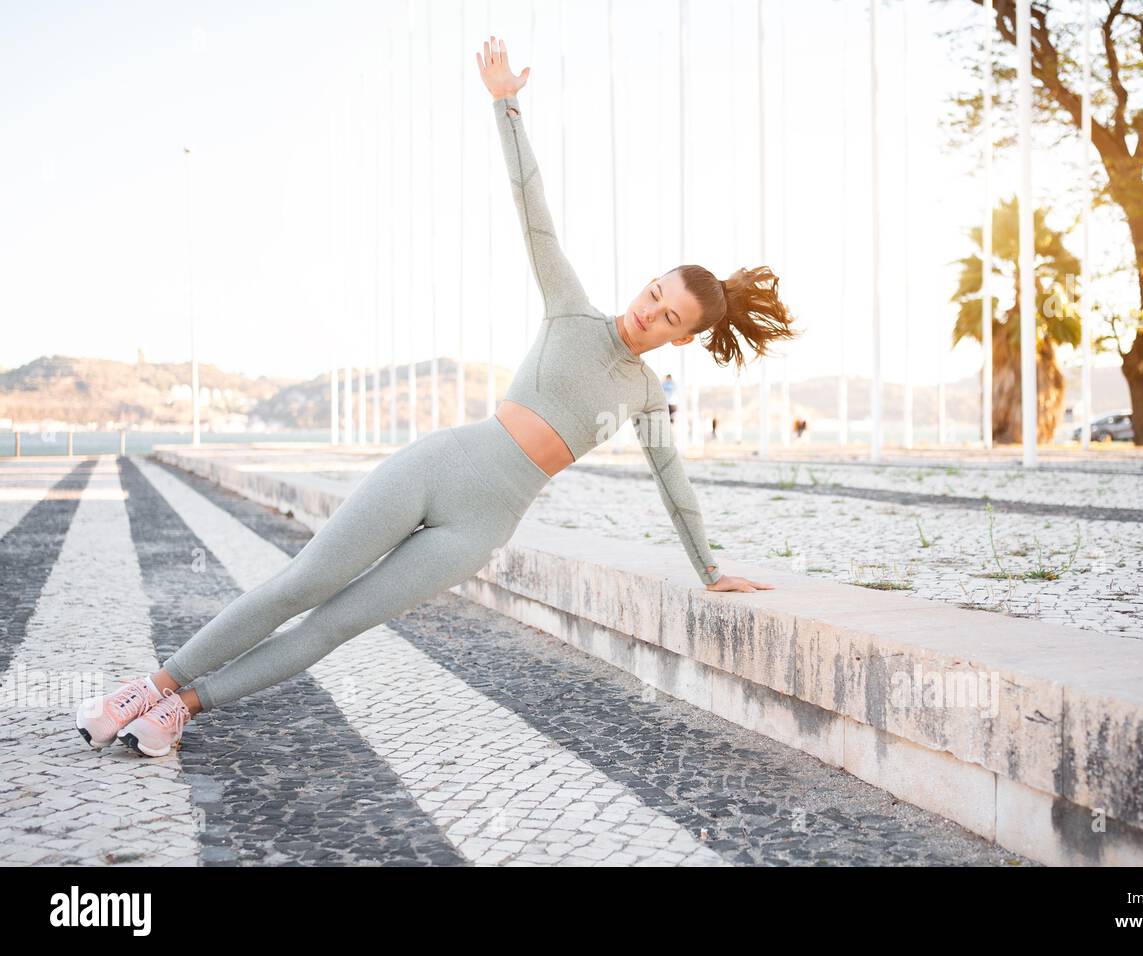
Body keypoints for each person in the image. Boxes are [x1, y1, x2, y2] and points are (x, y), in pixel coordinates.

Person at [74, 35, 798, 758]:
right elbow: (532, 207)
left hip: (479, 527)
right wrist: (505, 103)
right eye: (654, 292)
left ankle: (186, 709)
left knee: (334, 626)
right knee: (301, 585)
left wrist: (711, 570)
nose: (649, 311)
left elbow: (675, 486)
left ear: (681, 337)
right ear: (648, 282)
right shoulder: (571, 308)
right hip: (440, 466)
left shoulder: (645, 394)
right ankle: (154, 684)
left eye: (669, 316)